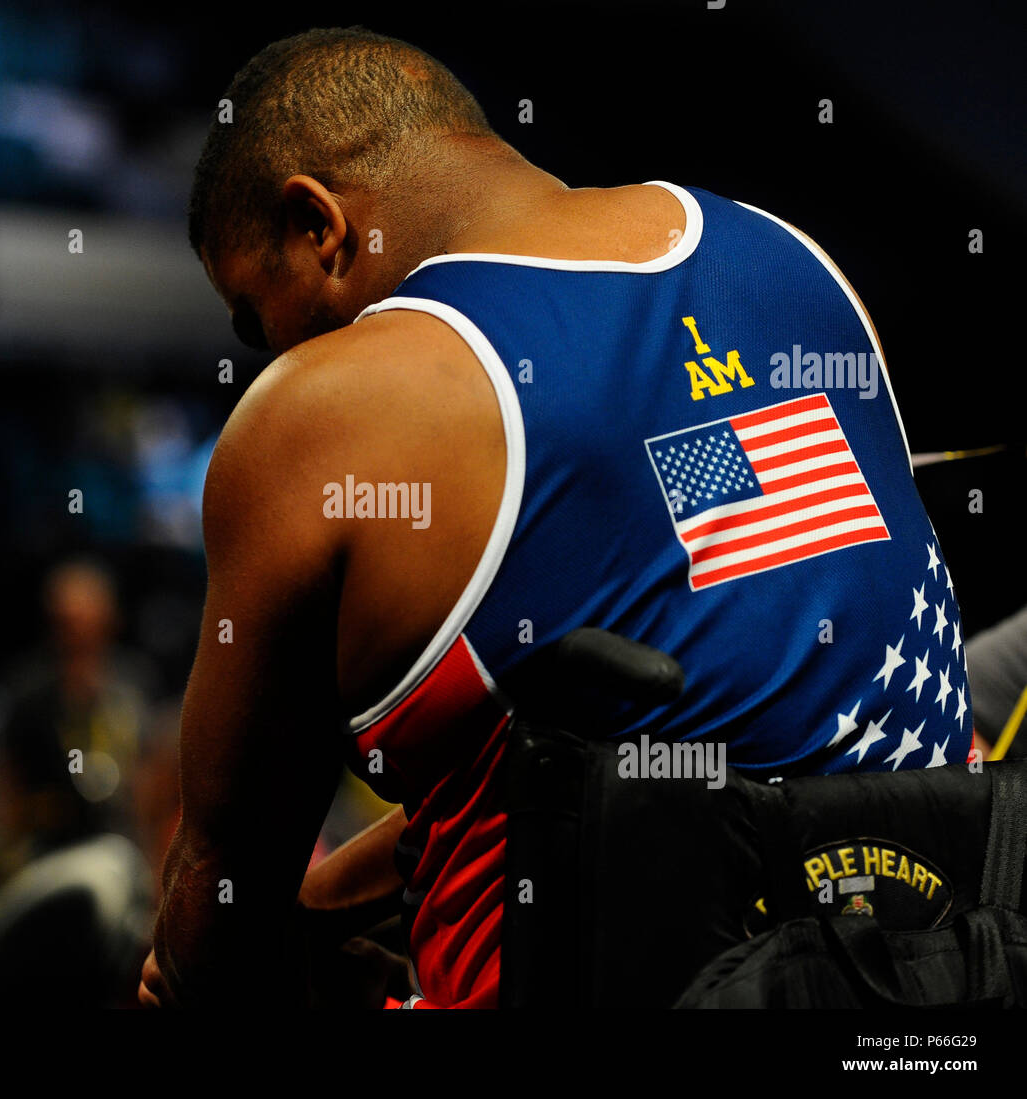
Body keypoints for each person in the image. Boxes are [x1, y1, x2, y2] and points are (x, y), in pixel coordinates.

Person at [140, 27, 972, 1009]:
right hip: (940, 975)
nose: (260, 352)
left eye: (251, 314)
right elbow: (723, 720)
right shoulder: (790, 256)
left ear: (318, 224)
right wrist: (342, 889)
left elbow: (220, 905)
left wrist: (197, 964)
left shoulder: (321, 410)